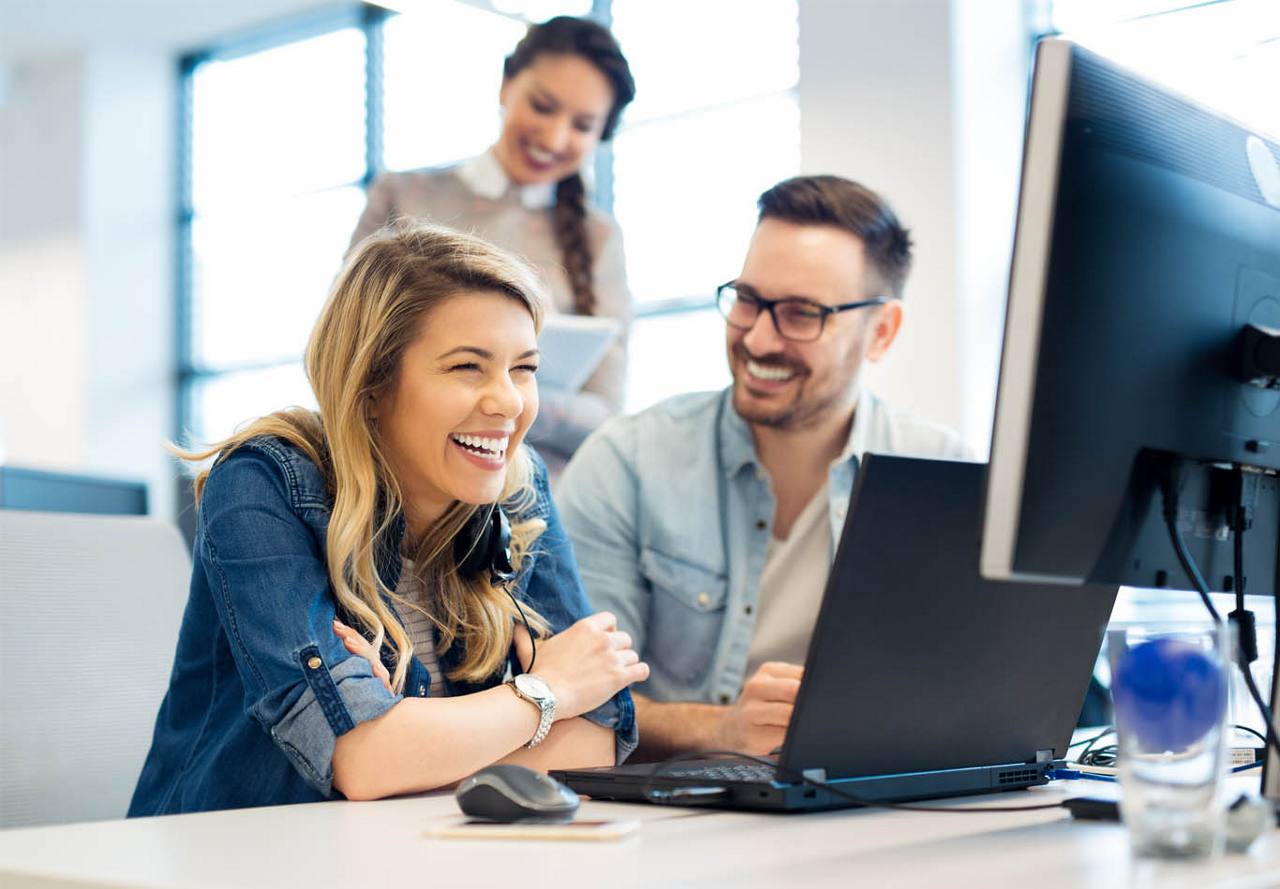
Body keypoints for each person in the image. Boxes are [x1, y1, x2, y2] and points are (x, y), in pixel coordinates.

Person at [129, 222, 646, 816]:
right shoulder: (262, 483)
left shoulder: (516, 490)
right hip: (224, 855)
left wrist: (411, 733)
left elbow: (595, 739)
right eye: (467, 368)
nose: (508, 402)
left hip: (406, 856)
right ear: (372, 382)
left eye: (523, 368)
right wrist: (545, 690)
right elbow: (366, 761)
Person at [556, 175, 971, 760]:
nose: (758, 337)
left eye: (801, 313)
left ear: (881, 332)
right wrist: (722, 729)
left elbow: (981, 699)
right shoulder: (626, 463)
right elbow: (578, 701)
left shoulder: (946, 477)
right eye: (748, 300)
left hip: (880, 812)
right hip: (677, 826)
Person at [349, 16, 636, 471]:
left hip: (534, 503)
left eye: (582, 125)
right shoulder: (402, 198)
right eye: (543, 106)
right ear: (506, 85)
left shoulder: (599, 239)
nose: (555, 137)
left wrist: (486, 395)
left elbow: (606, 414)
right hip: (399, 482)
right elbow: (341, 353)